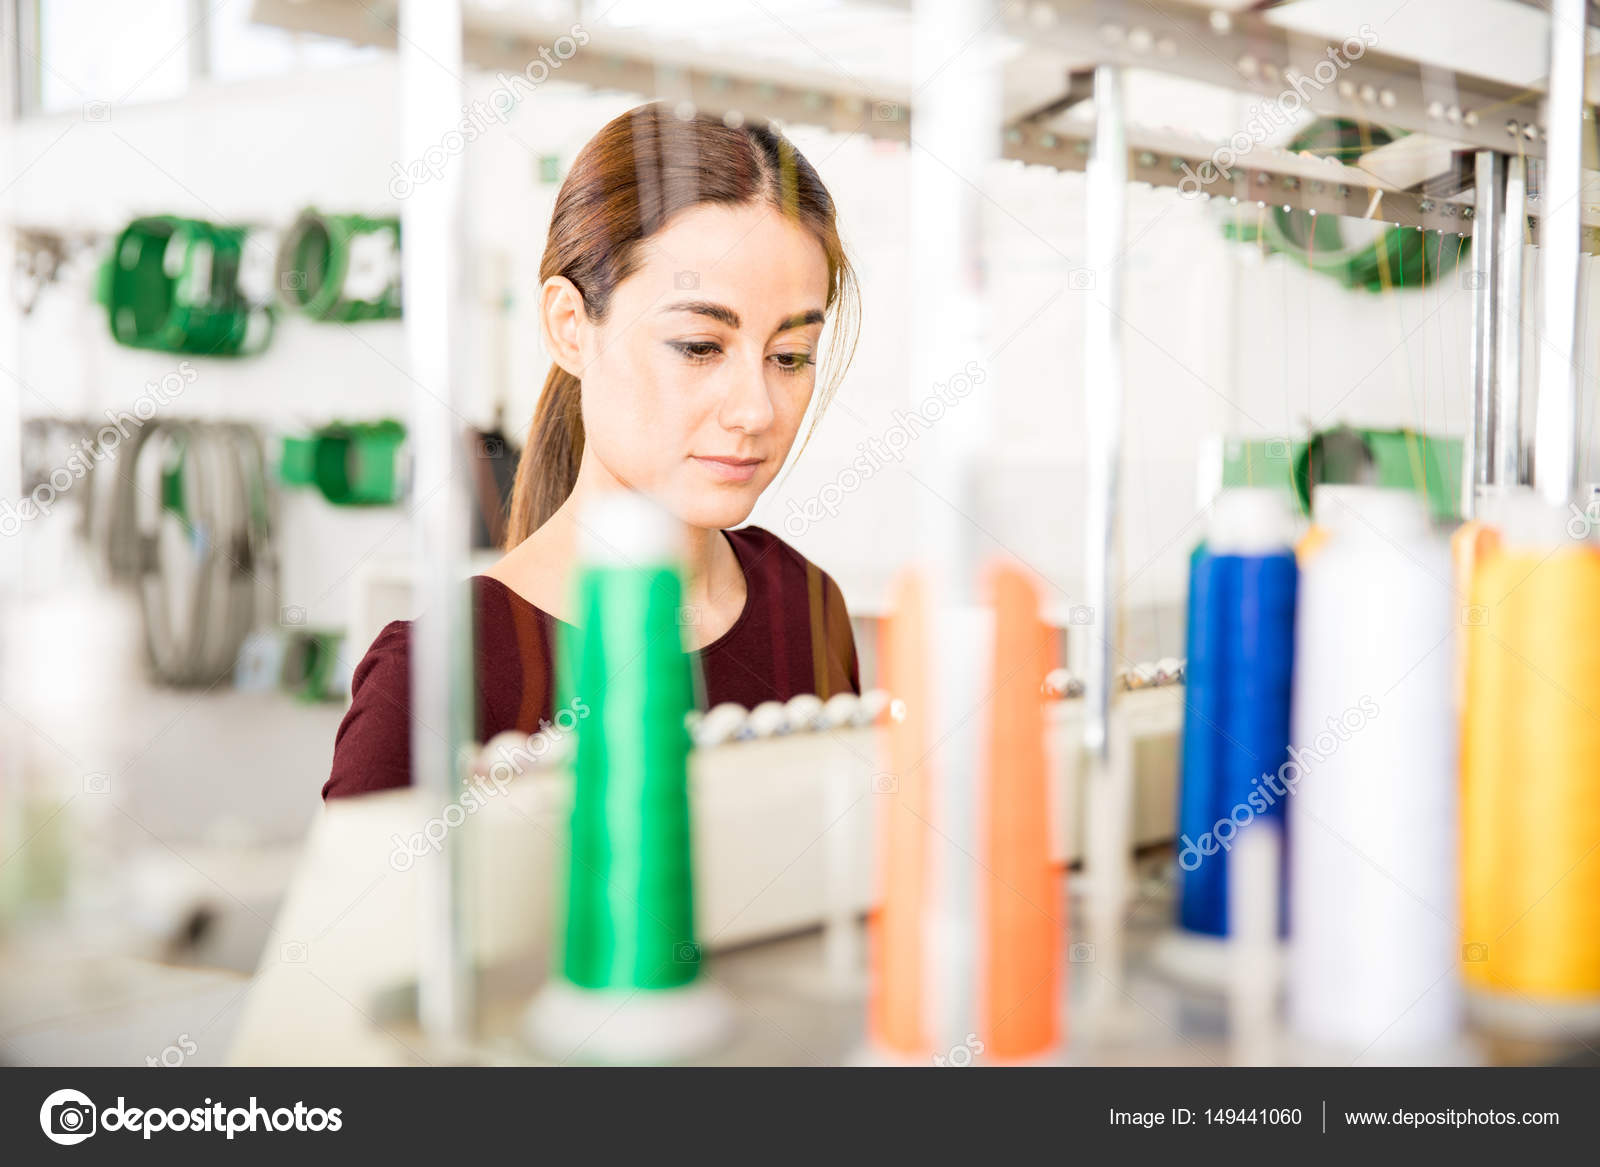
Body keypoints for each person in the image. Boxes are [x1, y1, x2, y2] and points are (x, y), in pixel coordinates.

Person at [323, 102, 862, 799]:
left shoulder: (805, 602)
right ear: (571, 327)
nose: (755, 409)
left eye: (790, 356)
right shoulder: (437, 677)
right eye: (699, 346)